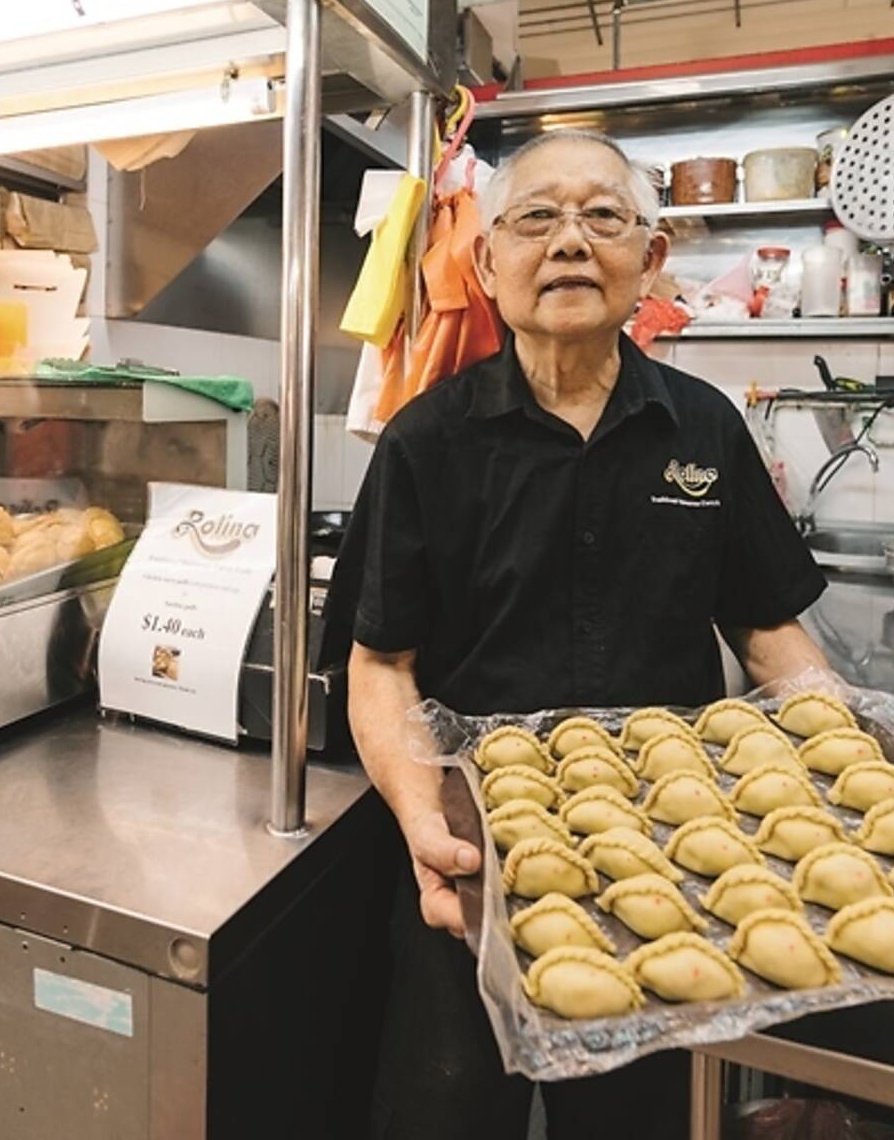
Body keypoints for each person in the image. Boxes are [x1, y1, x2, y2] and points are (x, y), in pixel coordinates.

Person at [343, 130, 833, 1139]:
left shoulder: (703, 430)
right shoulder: (425, 443)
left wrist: (845, 764)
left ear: (650, 260)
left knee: (634, 1124)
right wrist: (423, 824)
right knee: (444, 1113)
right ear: (487, 263)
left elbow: (767, 629)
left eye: (603, 216)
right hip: (474, 859)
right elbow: (380, 665)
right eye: (536, 218)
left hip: (668, 858)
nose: (570, 241)